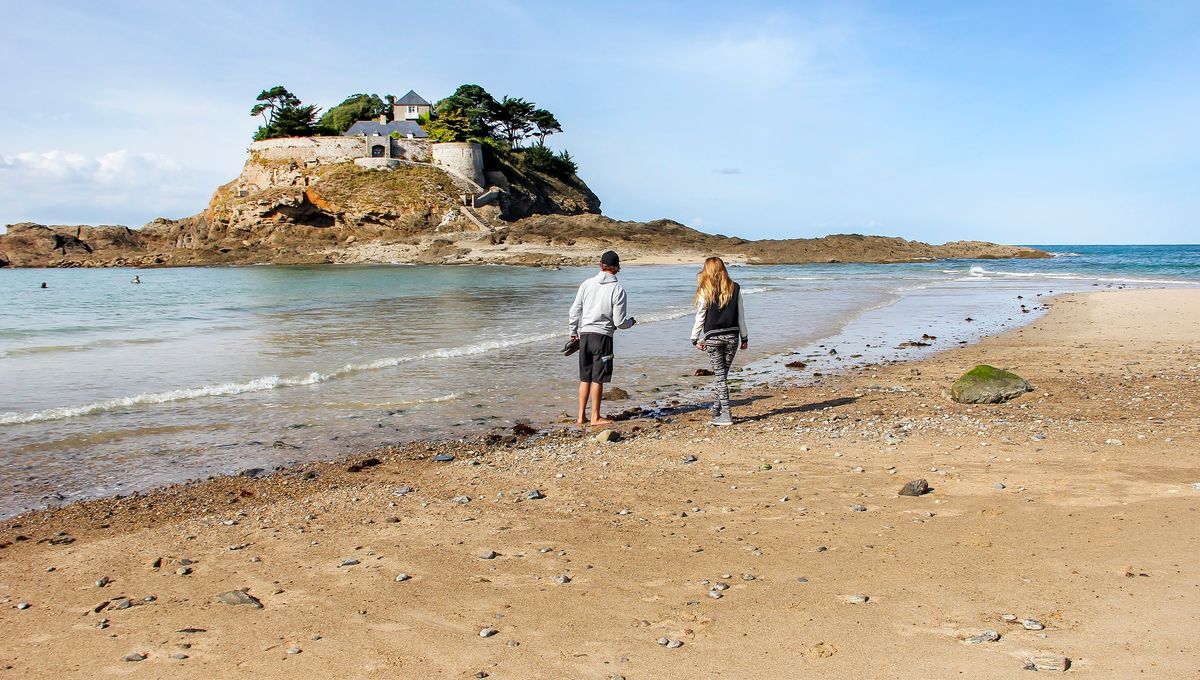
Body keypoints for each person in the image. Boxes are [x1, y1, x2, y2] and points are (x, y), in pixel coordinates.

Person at [568, 250, 636, 426]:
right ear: (617, 268)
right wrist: (631, 322)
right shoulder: (618, 290)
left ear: (600, 265)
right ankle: (595, 417)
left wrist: (573, 331)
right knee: (598, 378)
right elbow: (619, 322)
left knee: (585, 378)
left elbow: (574, 310)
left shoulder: (586, 284)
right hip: (602, 337)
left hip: (584, 335)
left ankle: (580, 416)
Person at [691, 257, 748, 426]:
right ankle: (716, 410)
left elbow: (700, 316)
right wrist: (744, 337)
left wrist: (694, 338)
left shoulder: (705, 289)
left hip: (713, 339)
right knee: (722, 375)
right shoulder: (735, 288)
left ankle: (726, 415)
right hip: (732, 337)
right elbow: (741, 316)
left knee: (720, 377)